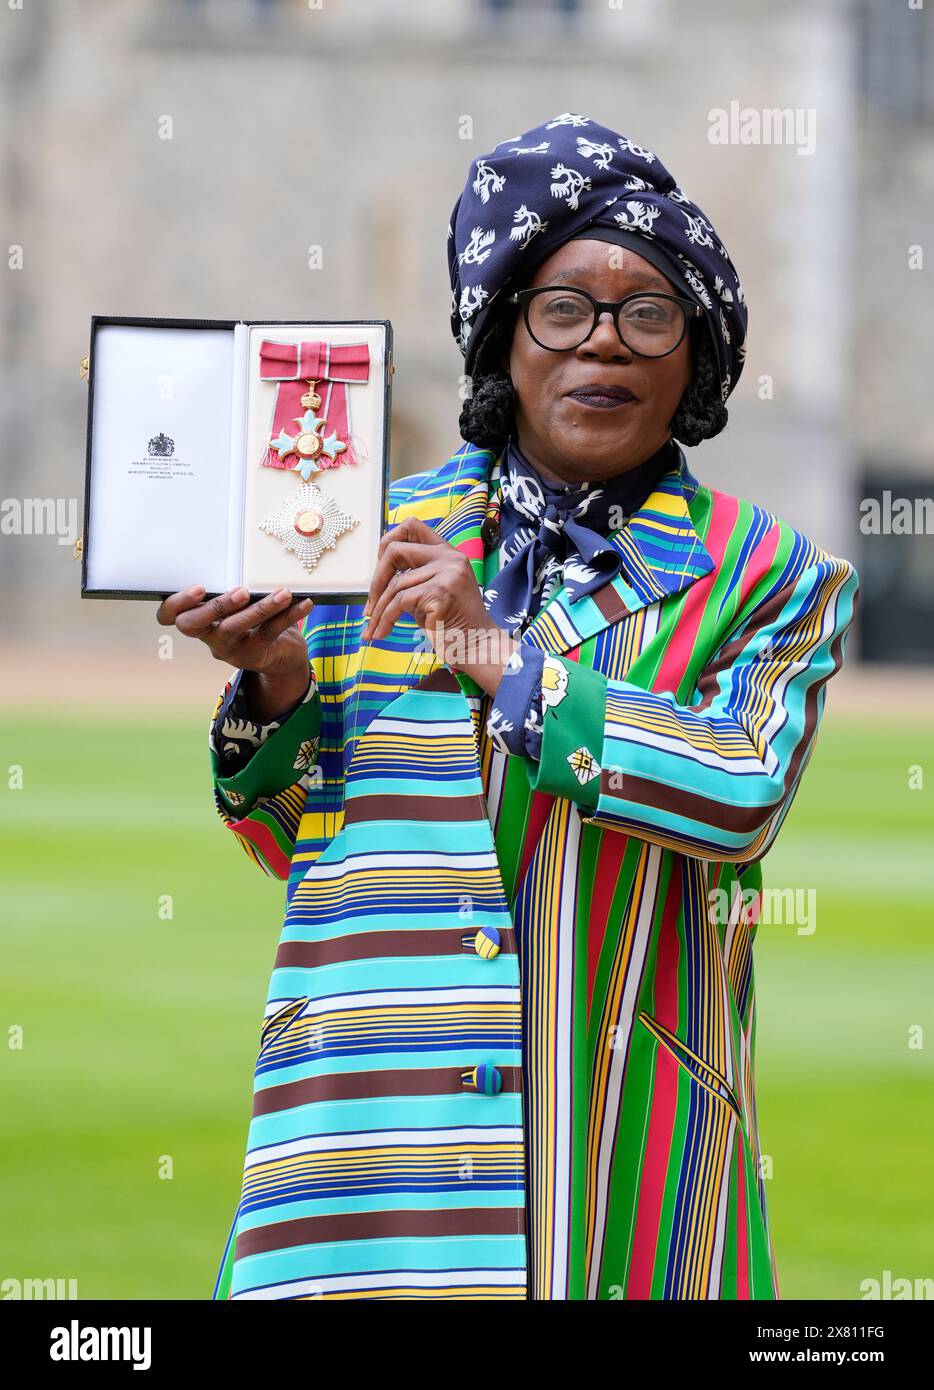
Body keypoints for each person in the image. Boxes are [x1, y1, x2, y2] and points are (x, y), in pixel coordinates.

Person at [157, 113, 860, 1301]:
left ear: (696, 355)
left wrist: (498, 653)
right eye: (563, 309)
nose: (607, 346)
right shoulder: (358, 535)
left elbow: (737, 793)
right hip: (362, 1136)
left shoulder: (771, 574)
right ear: (503, 336)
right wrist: (271, 682)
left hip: (616, 1148)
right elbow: (291, 843)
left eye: (650, 313)